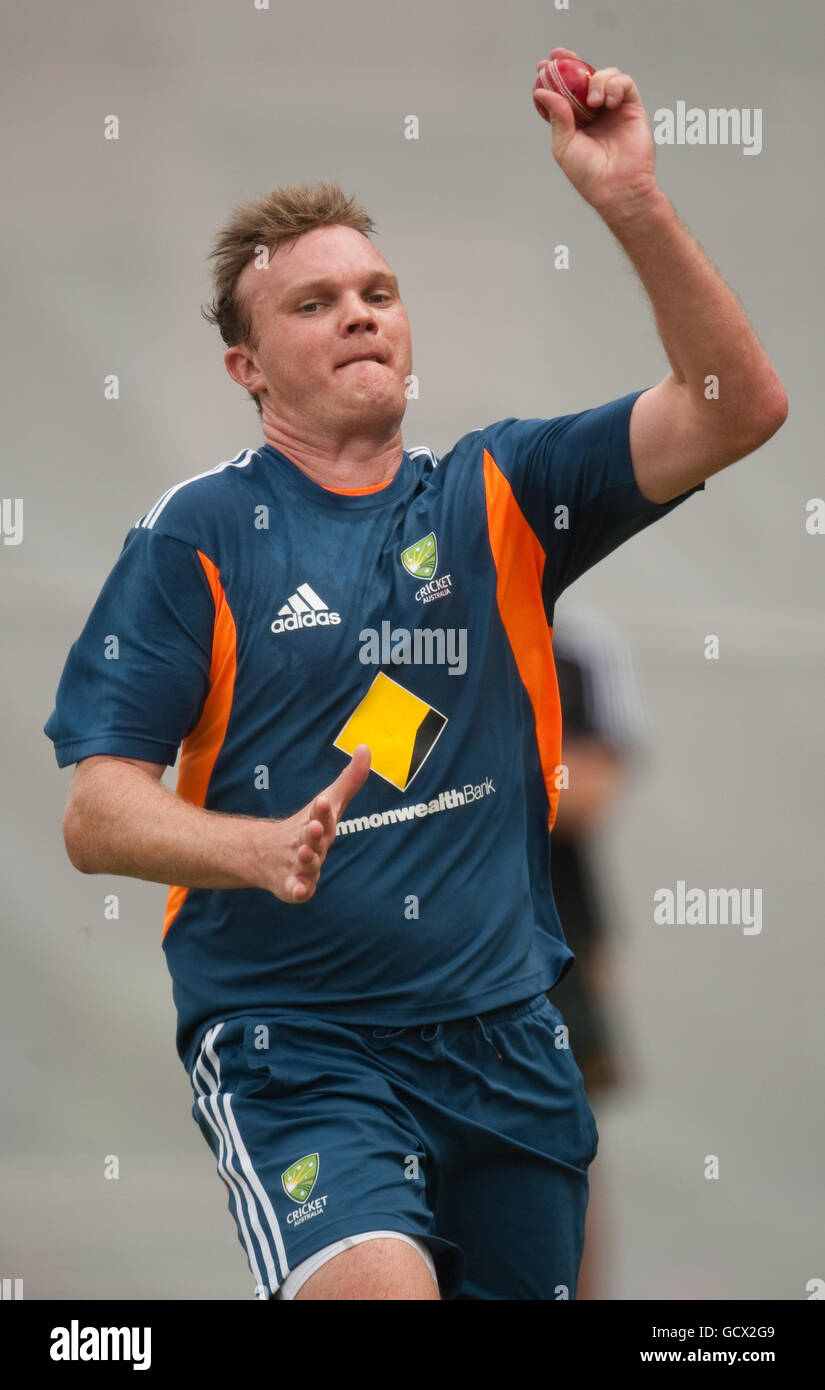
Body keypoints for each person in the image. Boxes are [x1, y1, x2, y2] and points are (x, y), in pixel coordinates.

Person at [44, 46, 787, 1300]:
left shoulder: (502, 493)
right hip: (300, 1046)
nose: (361, 312)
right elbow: (94, 811)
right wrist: (255, 848)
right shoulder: (197, 538)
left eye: (379, 289)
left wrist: (630, 201)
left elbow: (737, 407)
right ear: (248, 368)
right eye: (316, 302)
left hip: (507, 1045)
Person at [548, 603, 649, 1298]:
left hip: (556, 944)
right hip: (417, 950)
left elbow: (589, 788)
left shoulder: (580, 645)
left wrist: (468, 781)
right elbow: (377, 778)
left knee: (564, 1156)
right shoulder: (400, 634)